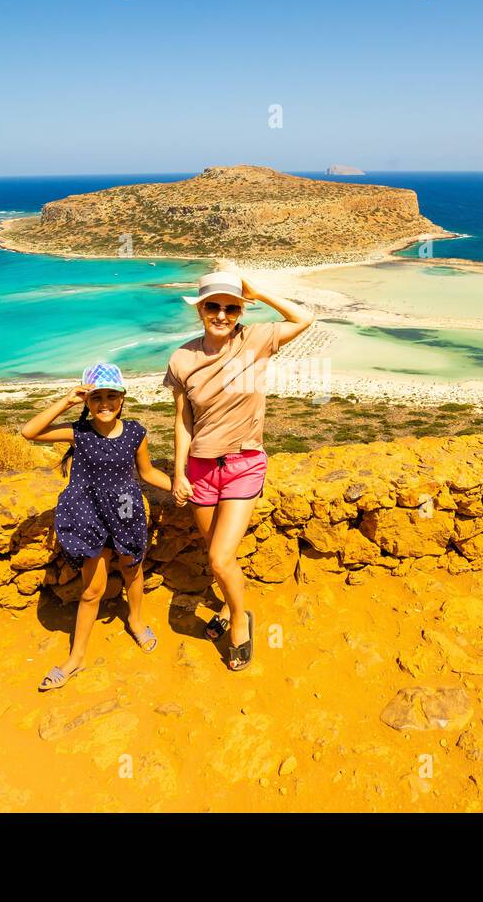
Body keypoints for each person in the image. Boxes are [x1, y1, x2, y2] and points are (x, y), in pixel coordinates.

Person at [162, 270, 315, 670]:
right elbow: (183, 421)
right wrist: (179, 473)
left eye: (231, 307)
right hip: (200, 468)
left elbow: (304, 319)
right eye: (213, 305)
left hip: (244, 464)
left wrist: (259, 292)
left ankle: (240, 623)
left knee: (218, 557)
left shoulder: (255, 339)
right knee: (219, 554)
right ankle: (232, 607)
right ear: (200, 310)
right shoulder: (182, 358)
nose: (222, 314)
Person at [19, 363, 172, 691]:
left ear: (122, 398)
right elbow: (29, 432)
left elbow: (146, 473)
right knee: (92, 590)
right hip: (88, 514)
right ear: (88, 401)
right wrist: (67, 400)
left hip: (126, 510)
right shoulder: (79, 432)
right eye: (96, 397)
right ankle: (76, 657)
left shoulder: (135, 432)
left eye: (111, 396)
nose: (104, 403)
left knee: (132, 570)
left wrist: (177, 486)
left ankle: (135, 620)